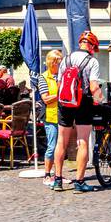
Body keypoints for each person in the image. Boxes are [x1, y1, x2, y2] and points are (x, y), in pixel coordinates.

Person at [51, 31, 103, 194]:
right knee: (82, 141)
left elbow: (60, 85)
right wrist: (100, 99)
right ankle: (80, 182)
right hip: (83, 103)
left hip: (64, 102)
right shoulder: (92, 61)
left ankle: (57, 180)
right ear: (92, 46)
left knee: (61, 141)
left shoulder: (65, 59)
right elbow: (94, 87)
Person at [37, 49, 62, 185]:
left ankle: (58, 174)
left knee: (61, 147)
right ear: (51, 63)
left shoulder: (62, 76)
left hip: (63, 115)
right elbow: (45, 98)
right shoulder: (43, 77)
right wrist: (60, 95)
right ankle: (47, 174)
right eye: (58, 62)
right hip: (50, 115)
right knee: (52, 146)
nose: (60, 65)